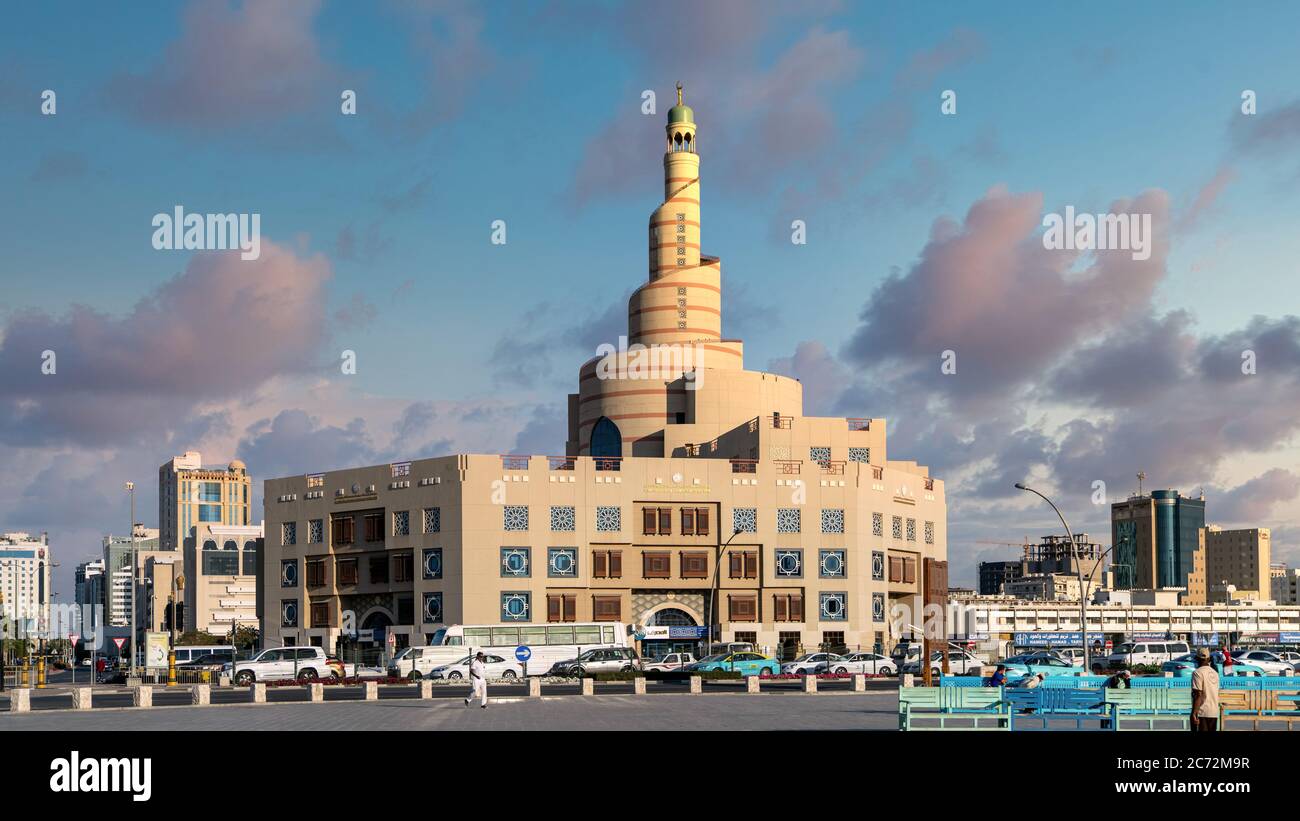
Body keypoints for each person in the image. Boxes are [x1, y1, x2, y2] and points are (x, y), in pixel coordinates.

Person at [1190, 649, 1220, 732]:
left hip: (1202, 711)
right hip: (1214, 712)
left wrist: (1194, 713)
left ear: (1197, 659)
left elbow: (1198, 695)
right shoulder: (1215, 673)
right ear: (1209, 659)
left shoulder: (1197, 673)